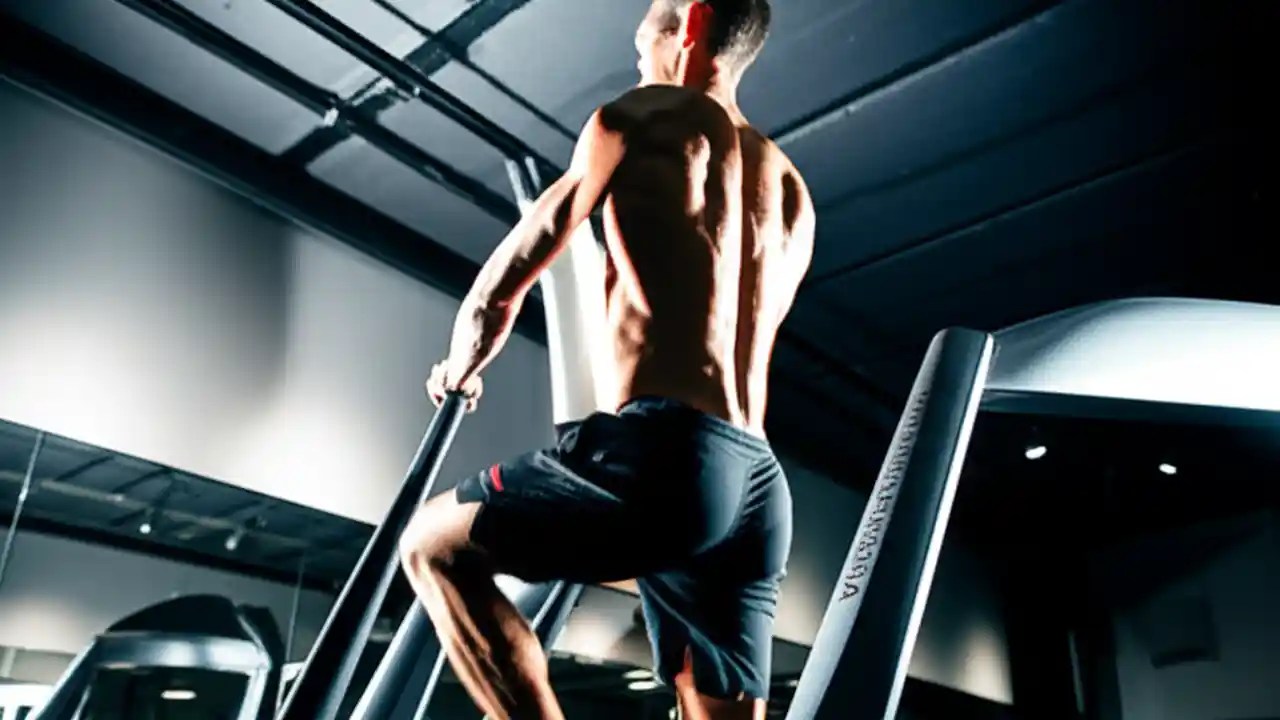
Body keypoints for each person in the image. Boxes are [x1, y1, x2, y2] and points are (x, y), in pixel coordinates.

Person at [398, 0, 814, 718]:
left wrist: (459, 365)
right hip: (757, 484)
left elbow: (515, 270)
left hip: (666, 455)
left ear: (692, 21)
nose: (635, 31)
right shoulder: (790, 191)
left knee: (431, 546)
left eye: (653, 12)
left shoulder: (642, 117)